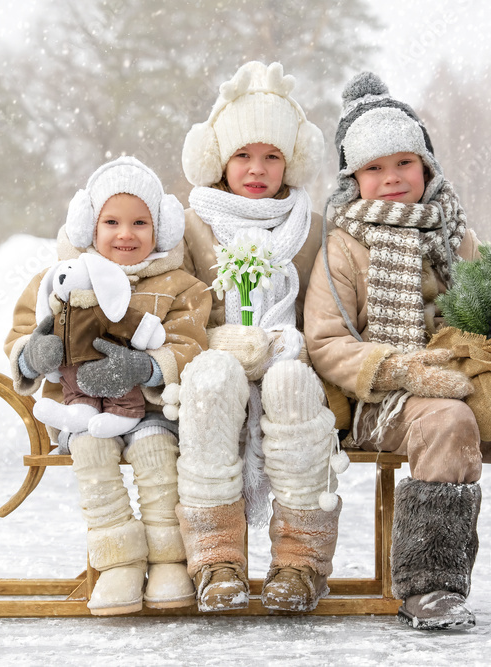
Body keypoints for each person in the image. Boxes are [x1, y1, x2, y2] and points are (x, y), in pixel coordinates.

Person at [304, 72, 491, 630]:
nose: (391, 177)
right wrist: (404, 371)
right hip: (383, 403)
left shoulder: (455, 236)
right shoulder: (341, 246)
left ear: (426, 167)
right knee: (447, 422)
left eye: (404, 162)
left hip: (473, 387)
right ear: (353, 179)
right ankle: (431, 585)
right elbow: (326, 343)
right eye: (374, 168)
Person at [4, 156, 211, 615]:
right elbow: (20, 333)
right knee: (91, 452)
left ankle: (168, 559)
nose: (125, 234)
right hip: (81, 411)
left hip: (154, 413)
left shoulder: (180, 286)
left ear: (161, 228)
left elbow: (192, 343)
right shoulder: (59, 280)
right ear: (89, 226)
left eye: (140, 222)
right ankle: (118, 561)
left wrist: (146, 368)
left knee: (156, 456)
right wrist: (33, 355)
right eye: (111, 222)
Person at [175, 61, 346, 613]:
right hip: (212, 367)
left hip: (290, 360)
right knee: (213, 377)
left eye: (272, 156)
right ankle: (216, 560)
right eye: (243, 155)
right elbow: (178, 309)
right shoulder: (191, 224)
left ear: (291, 161)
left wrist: (288, 345)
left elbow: (326, 312)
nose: (257, 168)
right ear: (218, 161)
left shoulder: (311, 227)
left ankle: (300, 562)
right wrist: (221, 342)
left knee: (291, 383)